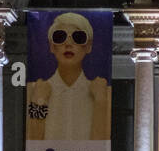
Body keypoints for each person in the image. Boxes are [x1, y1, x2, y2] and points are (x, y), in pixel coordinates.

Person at [26, 13, 111, 143]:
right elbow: (33, 142)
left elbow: (100, 147)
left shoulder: (102, 92)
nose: (68, 43)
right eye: (60, 37)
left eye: (78, 37)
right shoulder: (35, 89)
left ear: (88, 46)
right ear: (52, 46)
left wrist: (100, 102)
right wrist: (39, 100)